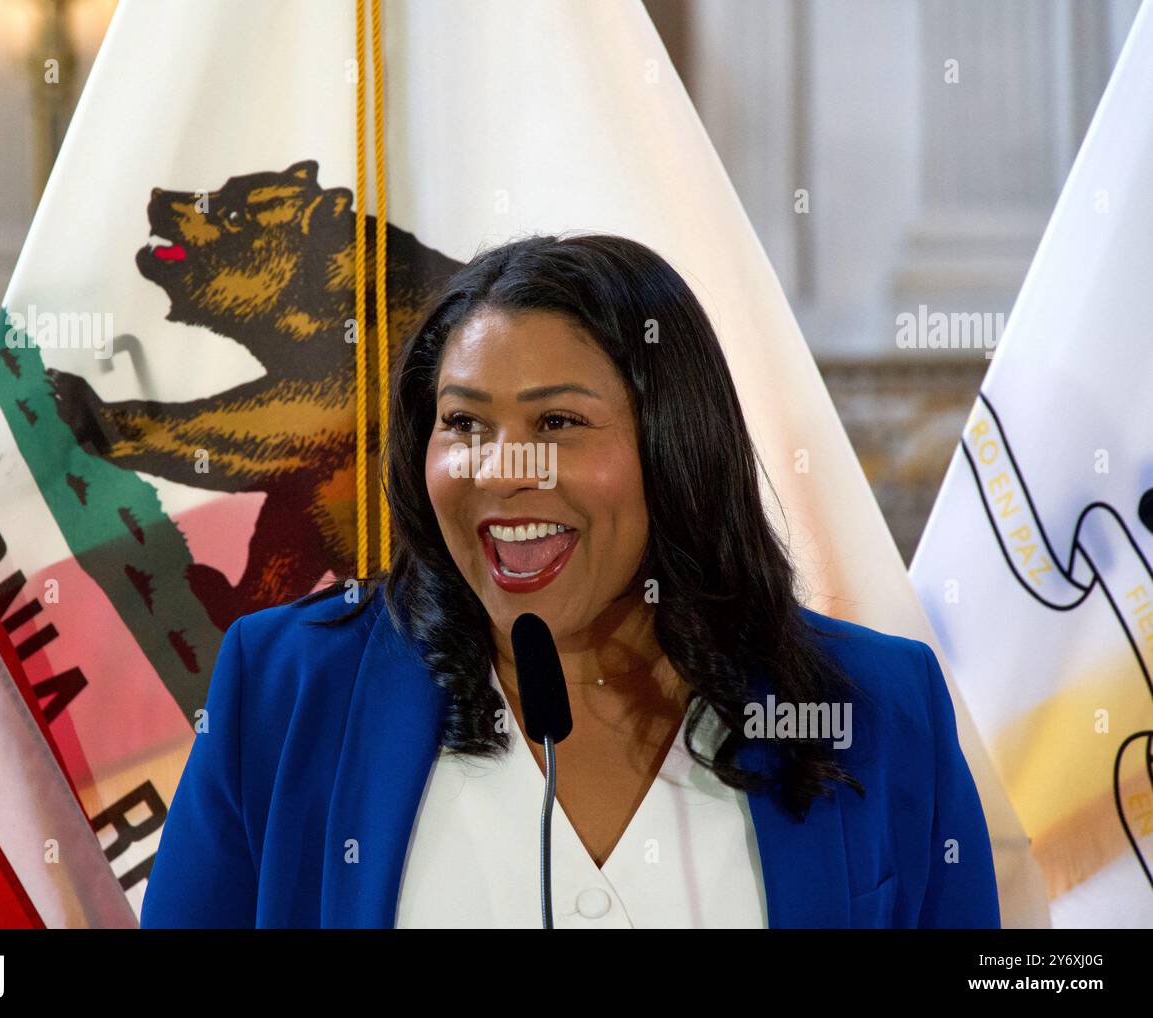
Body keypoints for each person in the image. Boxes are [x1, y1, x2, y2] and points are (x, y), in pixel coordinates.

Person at [139, 232, 1001, 929]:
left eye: (558, 421)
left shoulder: (879, 706)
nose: (501, 470)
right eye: (465, 423)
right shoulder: (288, 686)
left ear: (674, 446)